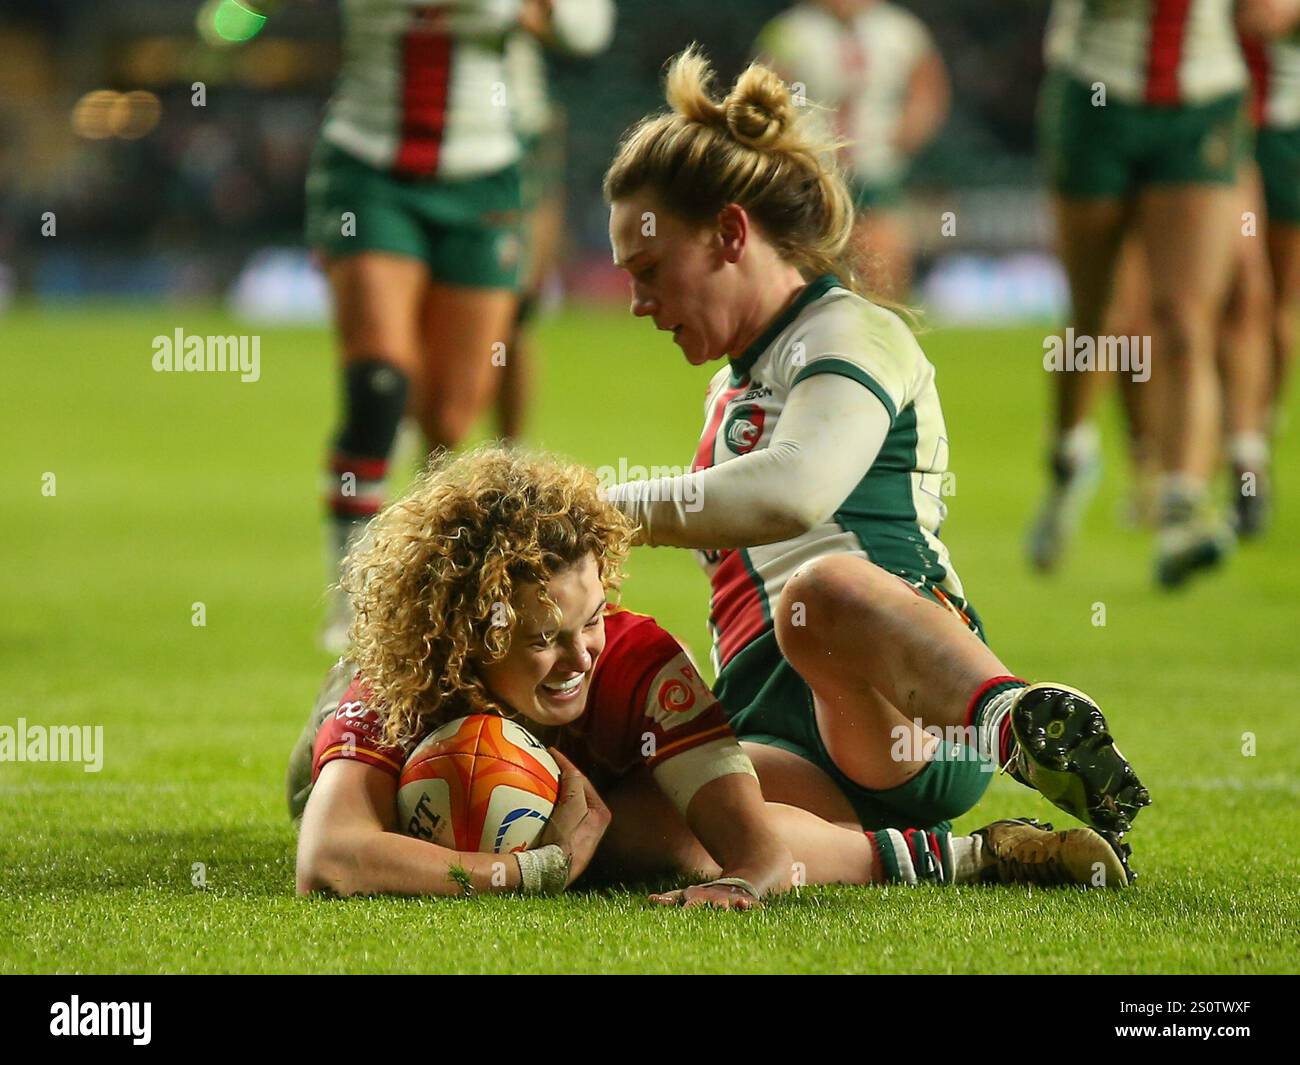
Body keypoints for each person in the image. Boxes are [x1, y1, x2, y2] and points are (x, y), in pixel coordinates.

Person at [599, 48, 1150, 863]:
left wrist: (597, 507)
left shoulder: (849, 330)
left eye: (648, 270)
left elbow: (794, 491)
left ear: (729, 231)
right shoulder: (728, 392)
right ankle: (971, 861)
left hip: (902, 703)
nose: (637, 302)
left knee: (816, 596)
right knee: (614, 815)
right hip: (776, 730)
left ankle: (1014, 724)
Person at [287, 448, 1132, 909]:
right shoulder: (395, 685)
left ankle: (977, 854)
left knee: (657, 839)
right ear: (470, 636)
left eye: (590, 620)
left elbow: (754, 850)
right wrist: (534, 870)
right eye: (545, 639)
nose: (582, 656)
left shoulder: (637, 661)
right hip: (380, 760)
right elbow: (330, 859)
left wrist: (742, 876)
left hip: (649, 788)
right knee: (316, 785)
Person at [310, 0, 590, 653]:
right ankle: (350, 597)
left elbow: (586, 28)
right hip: (369, 161)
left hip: (485, 171)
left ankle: (423, 576)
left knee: (449, 418)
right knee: (378, 380)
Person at [1028, 0, 1251, 587]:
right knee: (1096, 315)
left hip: (1203, 98)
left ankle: (1180, 511)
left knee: (1184, 318)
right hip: (1097, 91)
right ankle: (1069, 456)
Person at [753, 0, 949, 301]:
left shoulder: (900, 30)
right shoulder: (790, 32)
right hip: (813, 169)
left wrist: (905, 135)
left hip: (874, 167)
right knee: (806, 265)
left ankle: (881, 335)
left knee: (883, 267)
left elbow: (927, 89)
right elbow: (763, 93)